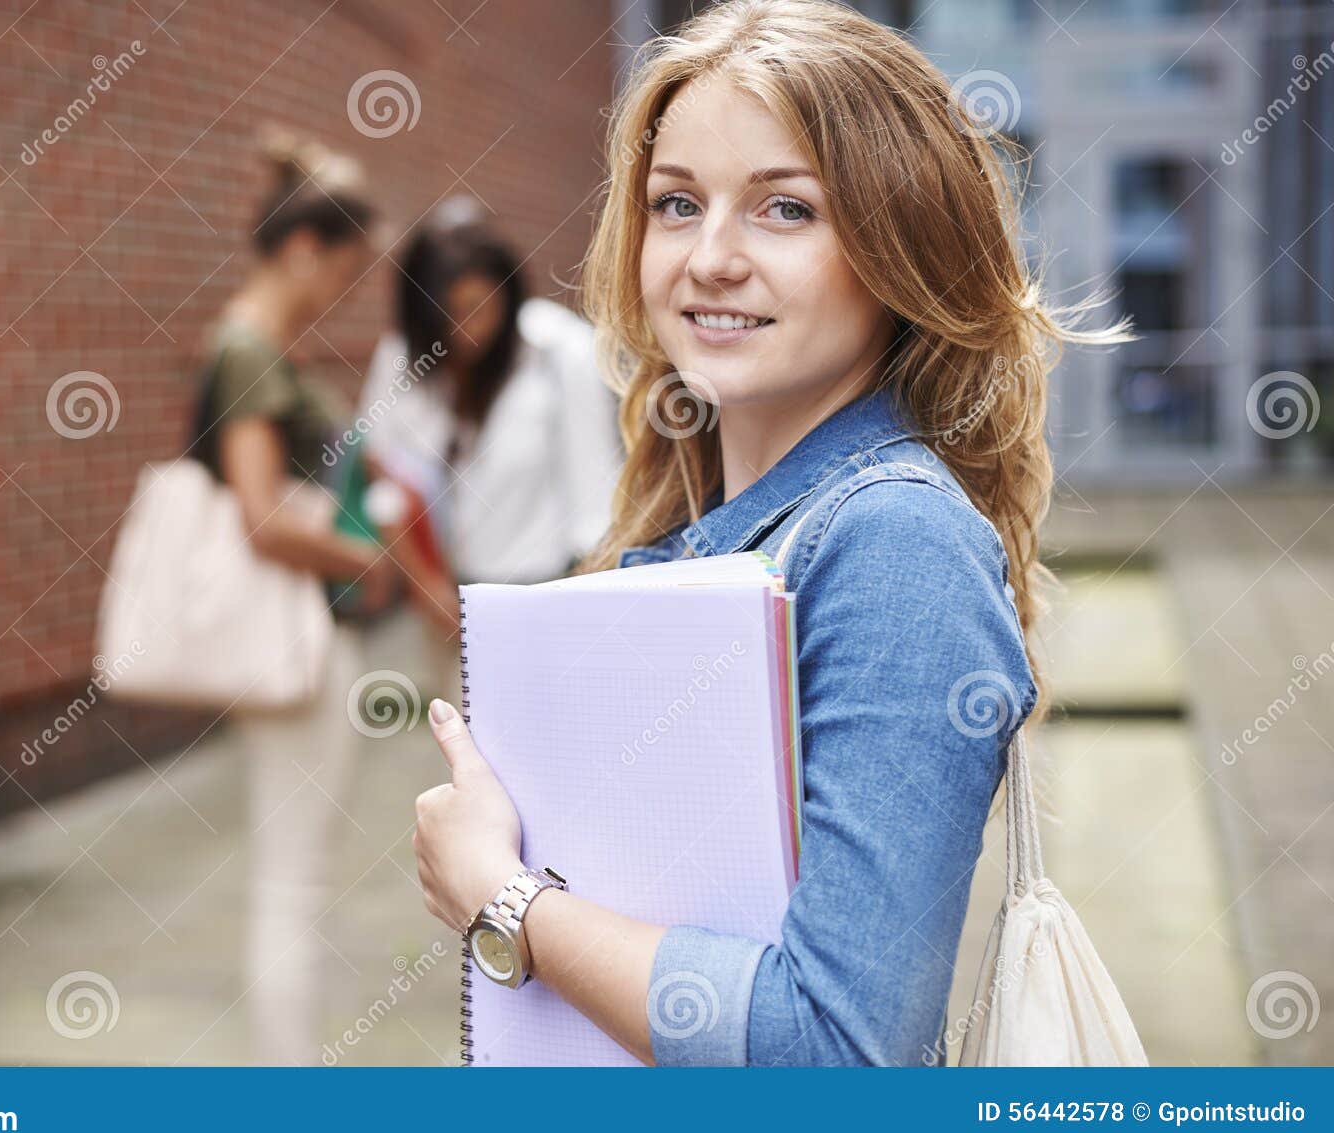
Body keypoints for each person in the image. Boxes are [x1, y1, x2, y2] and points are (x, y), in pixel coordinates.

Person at [411, 0, 1129, 1066]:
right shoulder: (691, 522)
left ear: (897, 247)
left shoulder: (896, 546)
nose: (710, 257)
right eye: (676, 203)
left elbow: (834, 1052)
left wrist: (506, 897)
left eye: (783, 210)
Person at [190, 130, 400, 1064]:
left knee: (298, 875)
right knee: (292, 881)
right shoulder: (246, 350)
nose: (342, 296)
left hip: (306, 645)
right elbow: (262, 518)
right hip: (293, 647)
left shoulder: (257, 346)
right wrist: (361, 552)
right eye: (344, 273)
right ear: (305, 248)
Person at [357, 212, 623, 605]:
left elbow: (596, 494)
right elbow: (383, 468)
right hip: (441, 593)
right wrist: (426, 585)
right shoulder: (403, 359)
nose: (466, 331)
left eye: (478, 309)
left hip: (544, 591)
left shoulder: (558, 350)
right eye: (449, 314)